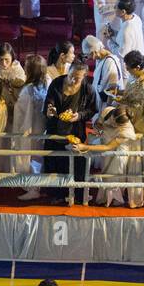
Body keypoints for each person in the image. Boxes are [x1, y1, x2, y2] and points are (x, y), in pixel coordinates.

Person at [42, 59, 95, 204]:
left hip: (75, 133)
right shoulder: (57, 83)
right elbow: (49, 101)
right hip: (55, 130)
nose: (72, 80)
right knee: (55, 162)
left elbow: (92, 110)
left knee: (76, 164)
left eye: (77, 78)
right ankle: (56, 194)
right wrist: (51, 109)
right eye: (71, 75)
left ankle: (76, 194)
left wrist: (79, 116)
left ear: (84, 77)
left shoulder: (88, 89)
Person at [71, 106, 137, 207]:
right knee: (105, 170)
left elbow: (108, 147)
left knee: (116, 172)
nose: (113, 123)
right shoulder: (108, 111)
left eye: (116, 123)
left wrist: (85, 146)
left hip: (120, 149)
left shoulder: (127, 131)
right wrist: (98, 128)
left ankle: (117, 199)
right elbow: (97, 123)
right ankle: (106, 197)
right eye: (113, 120)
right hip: (105, 139)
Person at [11, 55, 49, 196]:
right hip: (43, 126)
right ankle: (39, 185)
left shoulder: (28, 90)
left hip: (30, 128)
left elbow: (20, 113)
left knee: (31, 157)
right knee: (39, 156)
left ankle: (33, 188)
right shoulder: (47, 82)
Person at [83, 35, 124, 112]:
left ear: (94, 52)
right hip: (100, 102)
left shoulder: (110, 62)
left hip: (107, 105)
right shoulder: (100, 59)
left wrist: (107, 110)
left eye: (89, 55)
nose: (90, 58)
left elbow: (113, 88)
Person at [103, 0, 144, 65]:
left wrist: (109, 40)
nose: (114, 7)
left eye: (116, 7)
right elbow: (127, 40)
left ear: (123, 12)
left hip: (129, 69)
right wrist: (114, 35)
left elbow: (121, 54)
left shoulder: (126, 30)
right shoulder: (135, 17)